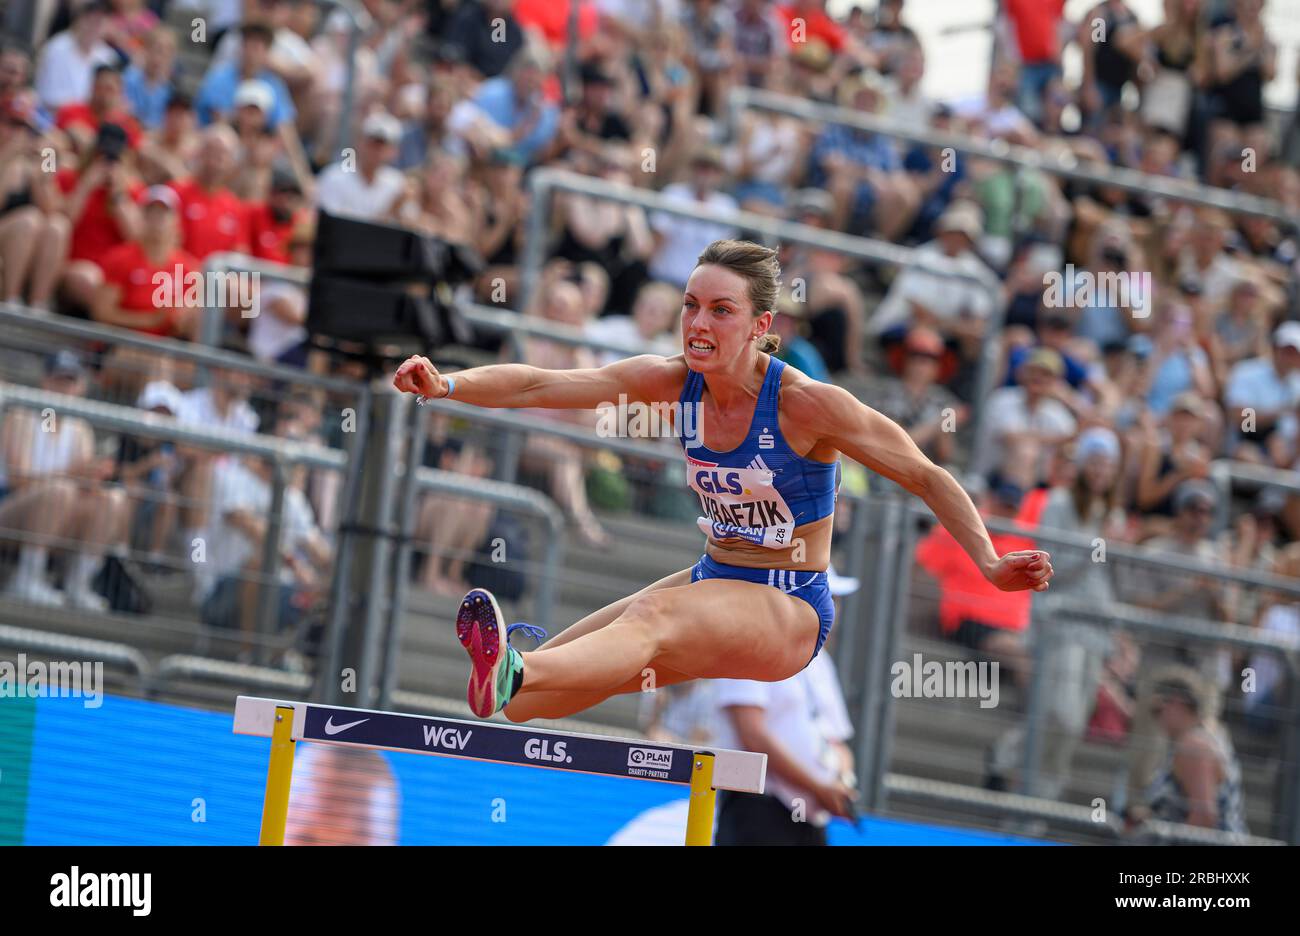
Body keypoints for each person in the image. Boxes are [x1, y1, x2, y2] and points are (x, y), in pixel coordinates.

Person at [393, 239, 1054, 721]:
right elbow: (542, 384)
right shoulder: (670, 380)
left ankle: (512, 663)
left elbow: (926, 474)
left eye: (720, 311)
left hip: (789, 607)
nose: (698, 324)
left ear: (761, 328)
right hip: (716, 578)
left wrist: (990, 560)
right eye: (689, 306)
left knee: (646, 616)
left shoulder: (806, 404)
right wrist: (447, 383)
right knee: (527, 703)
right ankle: (510, 681)